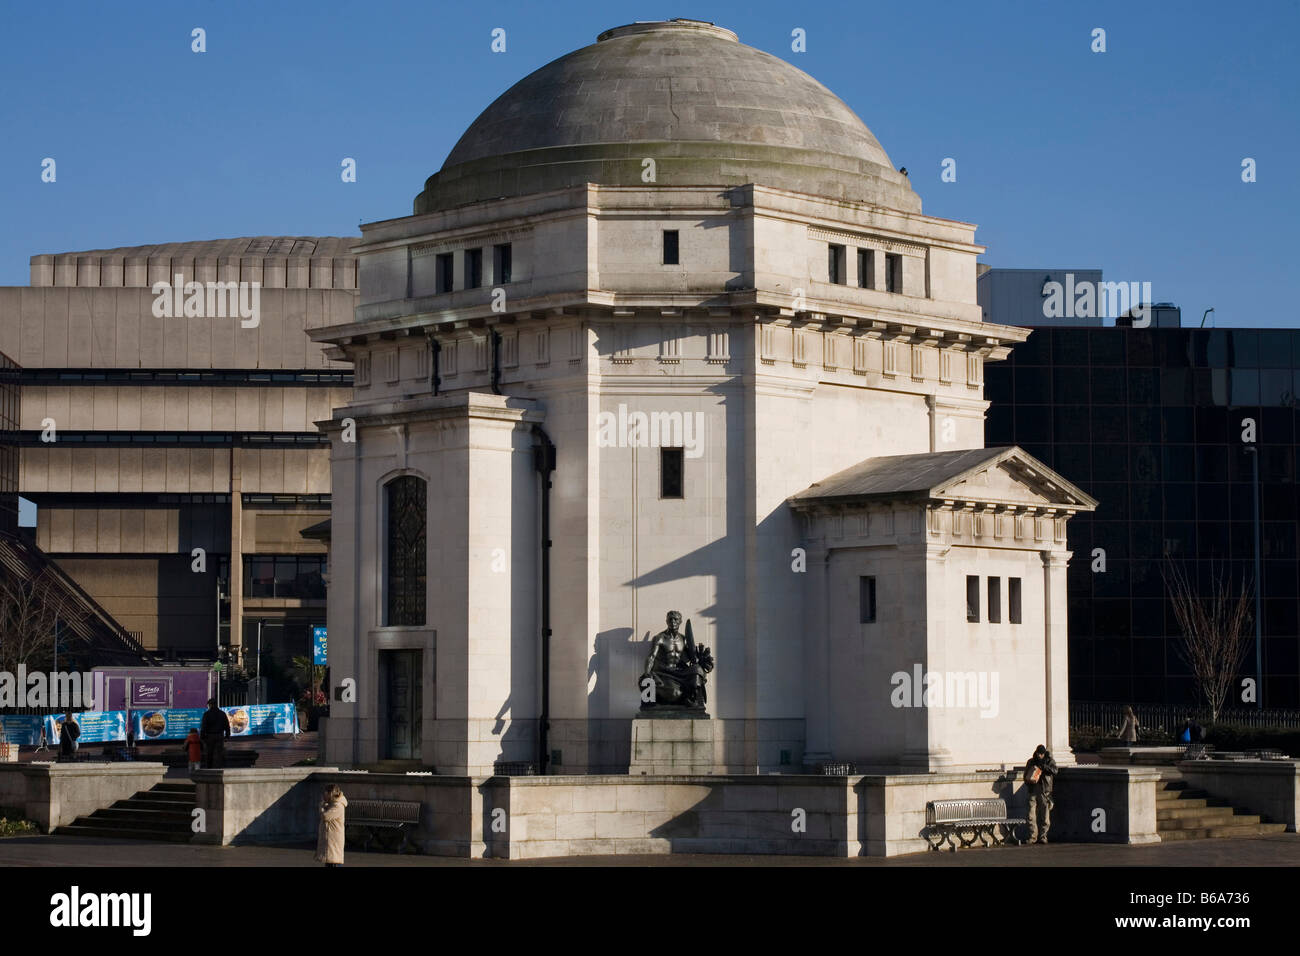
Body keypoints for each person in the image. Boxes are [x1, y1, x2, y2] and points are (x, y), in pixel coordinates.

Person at [1023, 744, 1058, 844]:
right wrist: (1030, 778)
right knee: (1031, 815)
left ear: (1044, 753)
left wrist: (1044, 767)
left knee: (1045, 815)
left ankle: (1043, 836)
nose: (1039, 756)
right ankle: (1033, 836)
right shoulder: (1031, 761)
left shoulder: (1049, 760)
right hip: (1033, 789)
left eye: (1041, 754)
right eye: (1038, 753)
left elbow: (1055, 770)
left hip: (1044, 790)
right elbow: (1025, 776)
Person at [316, 785, 347, 867]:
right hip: (331, 838)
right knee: (330, 860)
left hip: (334, 839)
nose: (323, 796)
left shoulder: (338, 805)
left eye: (325, 793)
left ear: (330, 794)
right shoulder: (332, 804)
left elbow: (325, 816)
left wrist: (321, 807)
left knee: (334, 861)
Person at [199, 699, 231, 769]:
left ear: (210, 705)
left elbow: (203, 726)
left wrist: (202, 737)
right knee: (219, 753)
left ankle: (209, 768)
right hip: (220, 736)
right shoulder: (222, 713)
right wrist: (227, 736)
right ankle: (218, 768)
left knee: (209, 753)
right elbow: (227, 725)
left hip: (209, 736)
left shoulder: (207, 714)